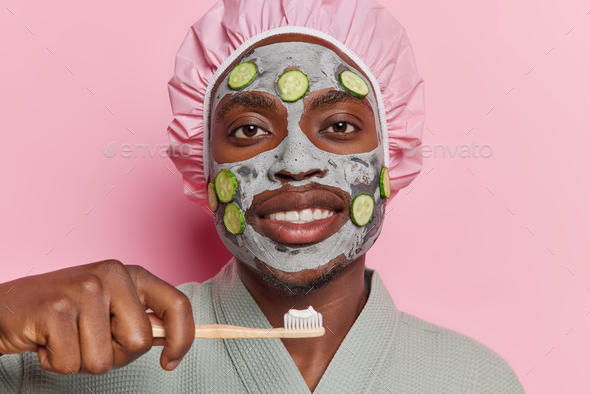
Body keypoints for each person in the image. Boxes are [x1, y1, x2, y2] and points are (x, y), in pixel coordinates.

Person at [0, 0, 526, 392]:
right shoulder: (47, 358)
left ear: (390, 160)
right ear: (203, 170)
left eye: (340, 125)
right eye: (250, 130)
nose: (295, 164)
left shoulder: (478, 380)